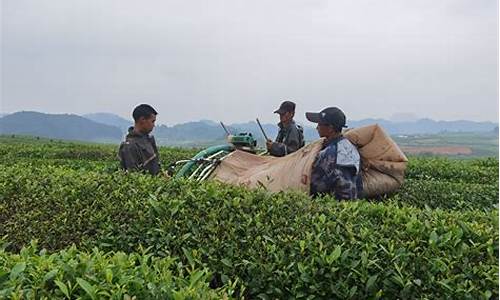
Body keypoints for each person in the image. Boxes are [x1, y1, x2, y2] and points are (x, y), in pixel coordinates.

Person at [305, 107, 362, 199]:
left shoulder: (327, 154)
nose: (317, 128)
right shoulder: (350, 147)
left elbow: (315, 187)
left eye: (319, 124)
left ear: (330, 128)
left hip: (333, 207)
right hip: (353, 206)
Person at [118, 104, 161, 175]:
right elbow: (134, 176)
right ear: (142, 120)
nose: (154, 125)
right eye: (152, 121)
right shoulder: (130, 146)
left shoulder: (148, 140)